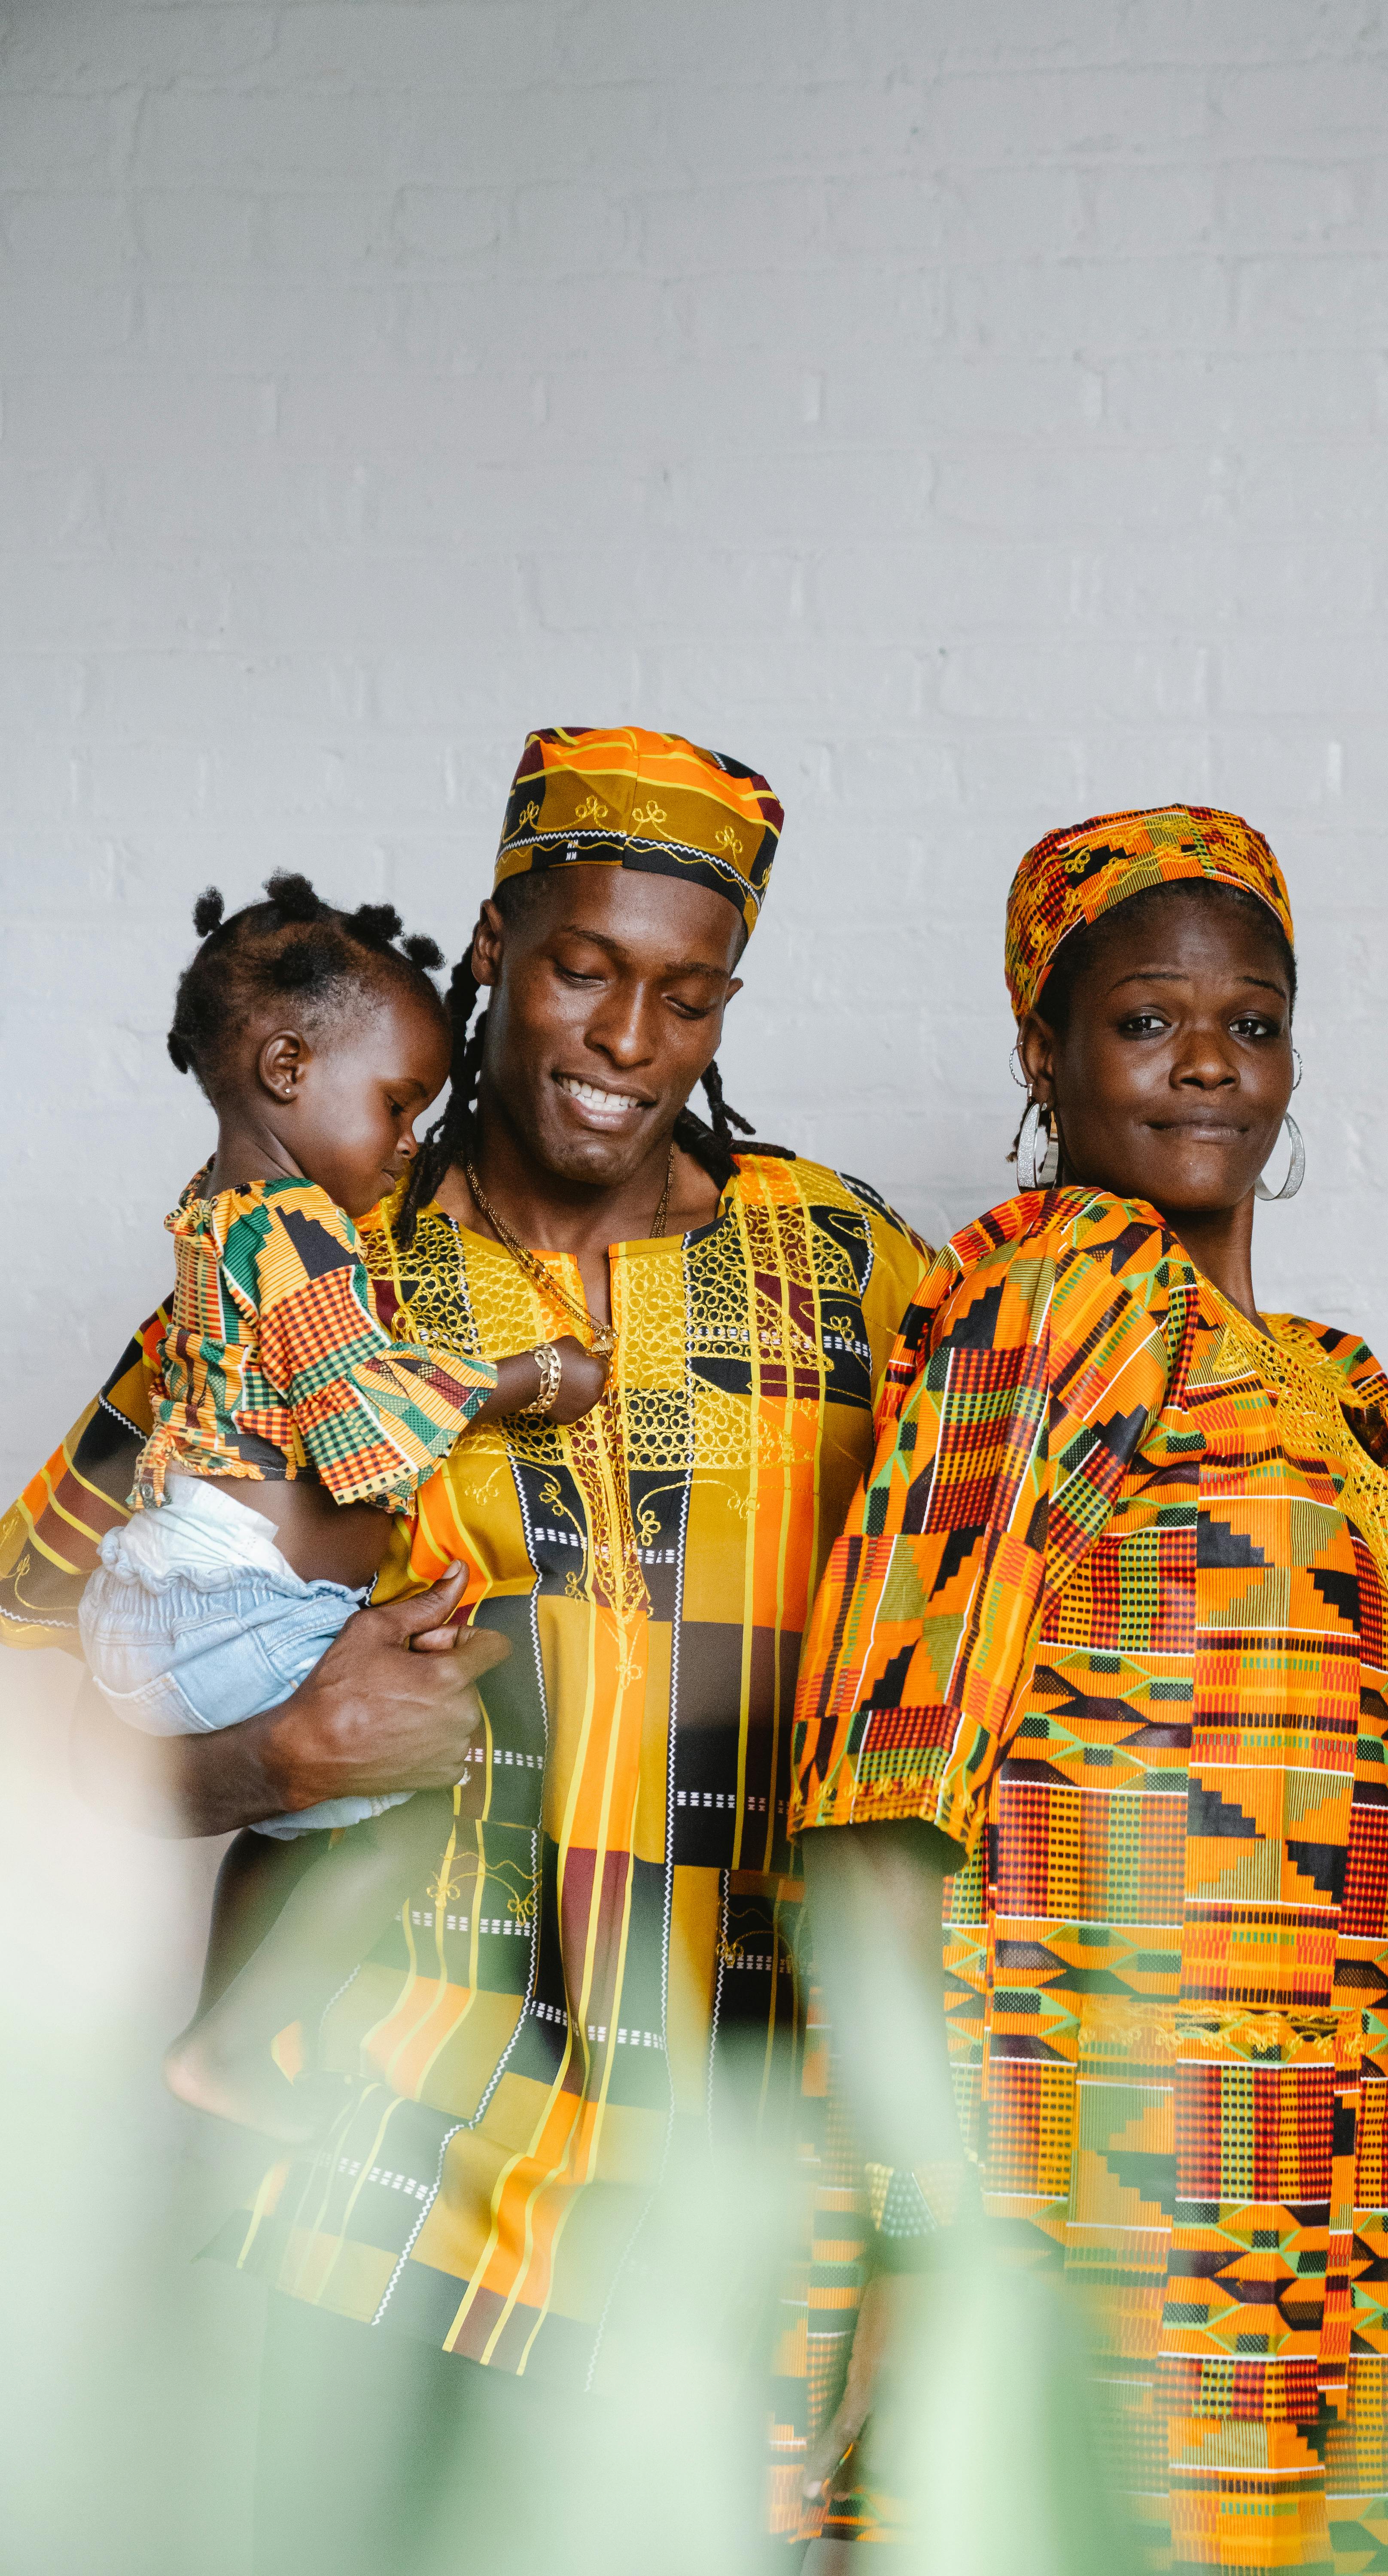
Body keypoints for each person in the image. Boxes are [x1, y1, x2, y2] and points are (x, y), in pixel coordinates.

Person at [0, 726, 929, 2575]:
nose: (624, 1039)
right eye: (582, 969)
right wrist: (270, 1763)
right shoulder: (314, 1273)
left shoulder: (847, 1272)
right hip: (378, 2163)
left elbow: (1019, 1614)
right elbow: (32, 1648)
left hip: (744, 2183)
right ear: (493, 952)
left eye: (686, 995)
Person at [788, 806, 1388, 2569]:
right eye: (1143, 1020)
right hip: (1110, 2171)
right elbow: (880, 1781)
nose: (1207, 1062)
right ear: (1043, 1057)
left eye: (1250, 1020)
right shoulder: (1047, 1307)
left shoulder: (1336, 1396)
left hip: (1348, 2177)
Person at [79, 871, 606, 2143]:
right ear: (282, 1065)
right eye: (396, 1104)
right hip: (228, 1606)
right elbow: (365, 1436)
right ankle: (235, 2039)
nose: (413, 1139)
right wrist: (527, 1377)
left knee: (301, 1819)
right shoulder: (293, 1234)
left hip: (196, 1595)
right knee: (416, 1801)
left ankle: (223, 2034)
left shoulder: (231, 1217)